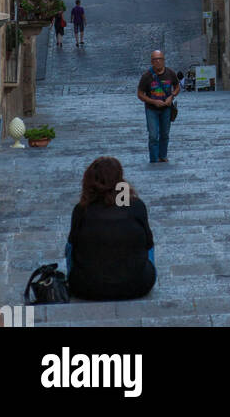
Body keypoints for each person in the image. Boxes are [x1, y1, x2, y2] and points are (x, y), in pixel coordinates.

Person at [66, 158, 156, 301]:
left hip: (86, 288)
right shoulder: (136, 206)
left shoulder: (81, 210)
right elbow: (149, 243)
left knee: (70, 245)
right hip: (138, 286)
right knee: (147, 244)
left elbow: (72, 244)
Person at [136, 51, 180, 163]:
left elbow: (177, 87)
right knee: (153, 136)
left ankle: (163, 156)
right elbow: (140, 94)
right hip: (152, 109)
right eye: (155, 59)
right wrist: (153, 101)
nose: (158, 61)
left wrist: (172, 96)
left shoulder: (170, 73)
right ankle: (154, 159)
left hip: (166, 109)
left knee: (165, 134)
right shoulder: (146, 76)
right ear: (152, 62)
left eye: (160, 58)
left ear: (164, 60)